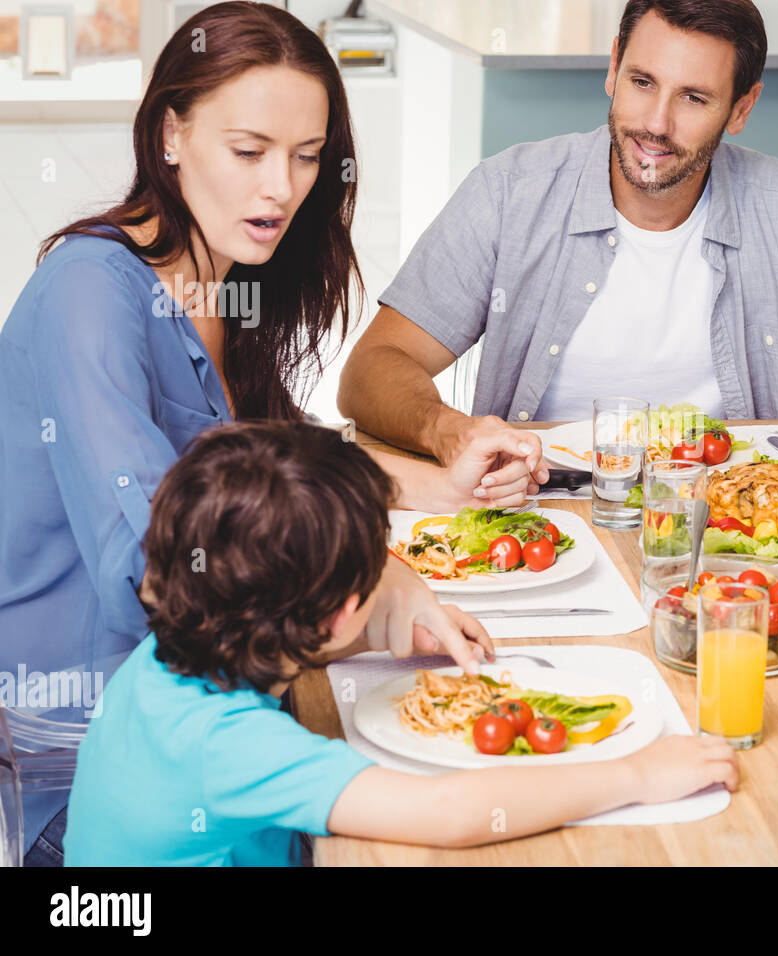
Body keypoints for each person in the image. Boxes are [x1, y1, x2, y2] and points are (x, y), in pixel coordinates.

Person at [0, 1, 525, 866]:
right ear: (170, 135)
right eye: (248, 152)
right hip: (93, 761)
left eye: (307, 156)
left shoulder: (224, 279)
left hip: (221, 707)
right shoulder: (89, 295)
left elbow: (273, 468)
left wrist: (436, 481)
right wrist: (376, 586)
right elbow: (153, 573)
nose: (280, 187)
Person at [338, 0, 778, 477]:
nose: (657, 124)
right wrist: (449, 432)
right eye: (643, 82)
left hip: (731, 525)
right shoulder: (510, 192)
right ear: (613, 68)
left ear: (742, 108)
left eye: (694, 97)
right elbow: (372, 370)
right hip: (543, 510)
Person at [63, 422, 739, 865]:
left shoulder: (181, 643)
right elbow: (448, 813)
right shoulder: (229, 746)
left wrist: (398, 617)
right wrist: (639, 775)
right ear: (339, 615)